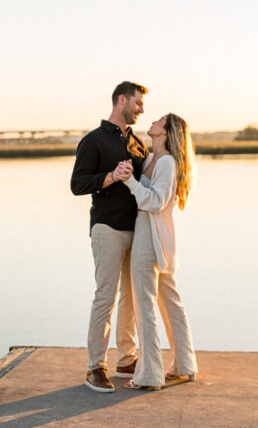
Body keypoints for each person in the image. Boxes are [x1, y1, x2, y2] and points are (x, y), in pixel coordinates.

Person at [70, 81, 149, 393]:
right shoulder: (94, 141)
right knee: (106, 295)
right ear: (121, 100)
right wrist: (111, 177)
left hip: (138, 231)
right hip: (107, 229)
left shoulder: (139, 143)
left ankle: (127, 358)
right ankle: (95, 367)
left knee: (131, 296)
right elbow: (77, 184)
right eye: (138, 103)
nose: (141, 109)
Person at [115, 113, 199, 390]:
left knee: (145, 304)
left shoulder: (166, 162)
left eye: (159, 120)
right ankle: (184, 366)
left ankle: (149, 374)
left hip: (150, 237)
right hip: (154, 235)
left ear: (167, 131)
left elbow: (155, 201)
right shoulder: (152, 159)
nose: (152, 121)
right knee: (168, 301)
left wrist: (129, 181)